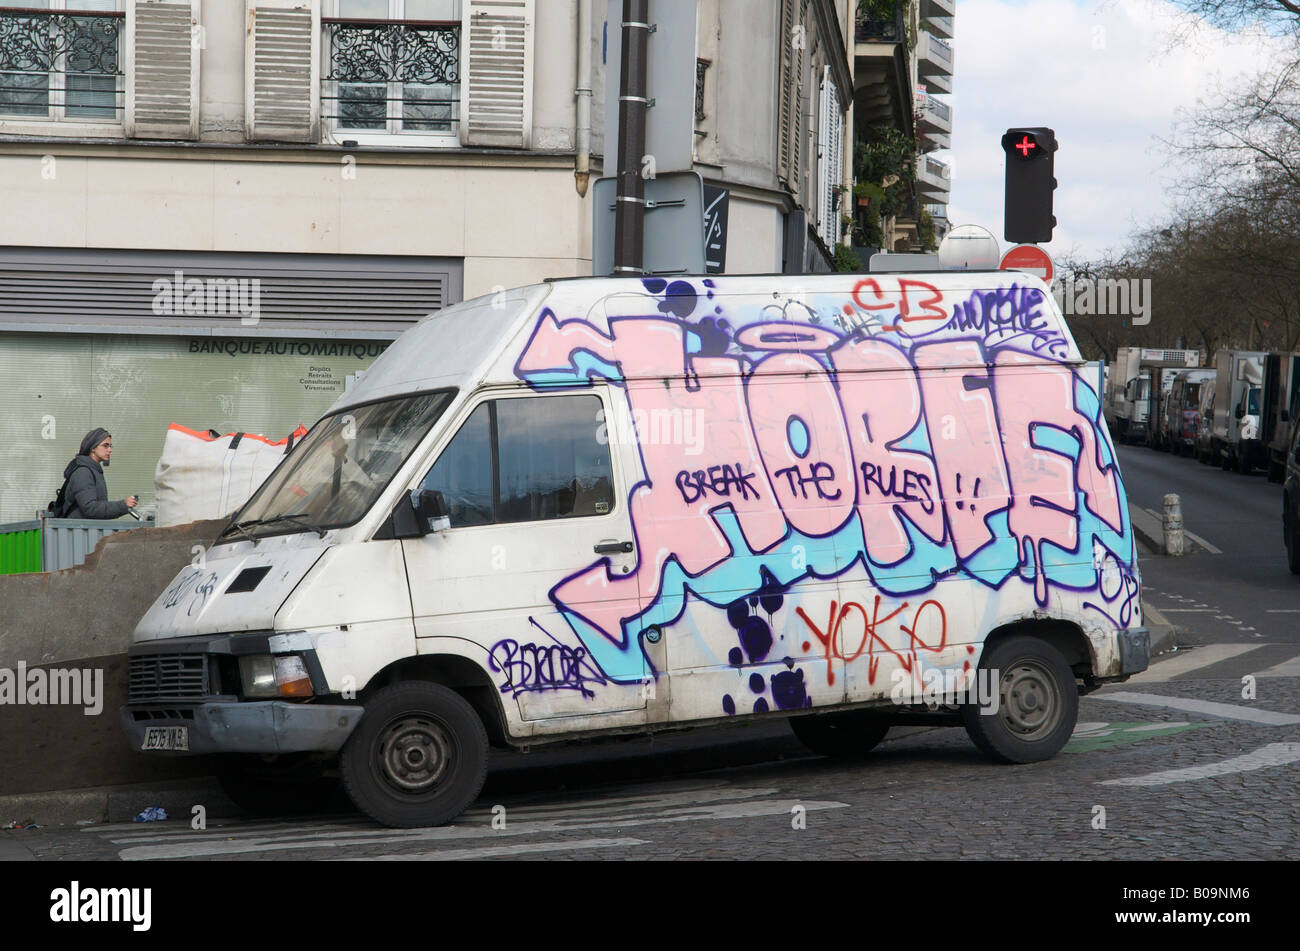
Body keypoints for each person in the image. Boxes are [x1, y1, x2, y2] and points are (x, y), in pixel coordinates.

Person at [60, 428, 138, 519]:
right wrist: (123, 505)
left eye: (110, 446)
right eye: (105, 446)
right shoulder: (83, 472)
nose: (110, 450)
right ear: (93, 448)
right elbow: (90, 508)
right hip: (78, 531)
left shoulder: (93, 470)